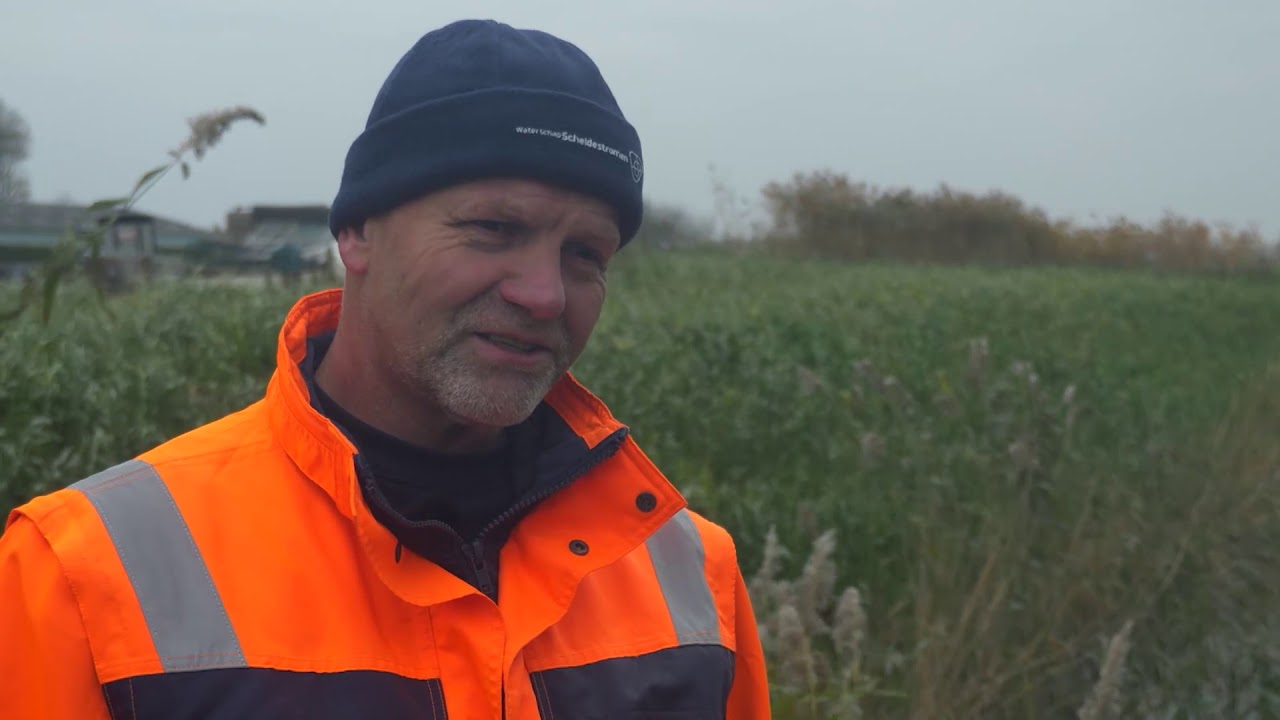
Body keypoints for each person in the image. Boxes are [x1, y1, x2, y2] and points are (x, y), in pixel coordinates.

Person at [0, 18, 771, 719]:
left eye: (586, 255)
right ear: (357, 232)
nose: (544, 294)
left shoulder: (691, 574)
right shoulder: (84, 571)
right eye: (494, 228)